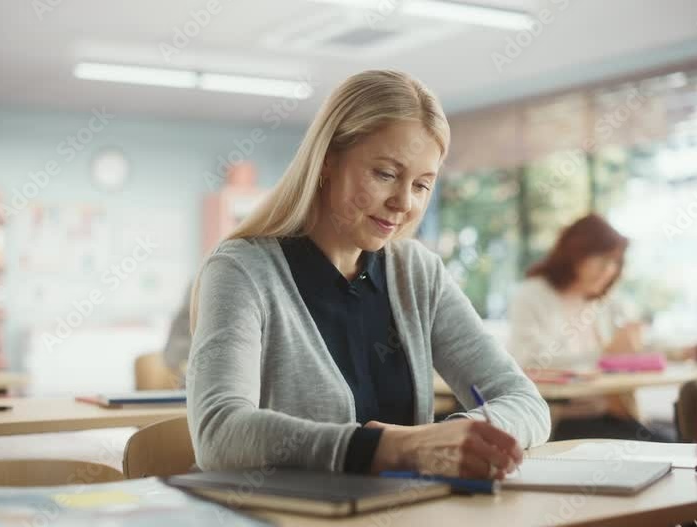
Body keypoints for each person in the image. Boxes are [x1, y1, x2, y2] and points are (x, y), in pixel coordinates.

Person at [185, 70, 550, 479]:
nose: (403, 203)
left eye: (421, 185)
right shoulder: (242, 270)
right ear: (328, 160)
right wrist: (389, 449)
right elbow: (219, 434)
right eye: (386, 174)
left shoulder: (418, 273)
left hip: (408, 509)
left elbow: (526, 402)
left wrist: (451, 438)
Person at [507, 213, 697, 441]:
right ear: (574, 254)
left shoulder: (605, 302)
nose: (609, 270)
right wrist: (605, 355)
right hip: (563, 423)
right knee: (669, 446)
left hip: (613, 415)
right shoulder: (533, 295)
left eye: (615, 262)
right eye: (601, 260)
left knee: (682, 443)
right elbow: (529, 361)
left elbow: (640, 344)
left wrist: (683, 351)